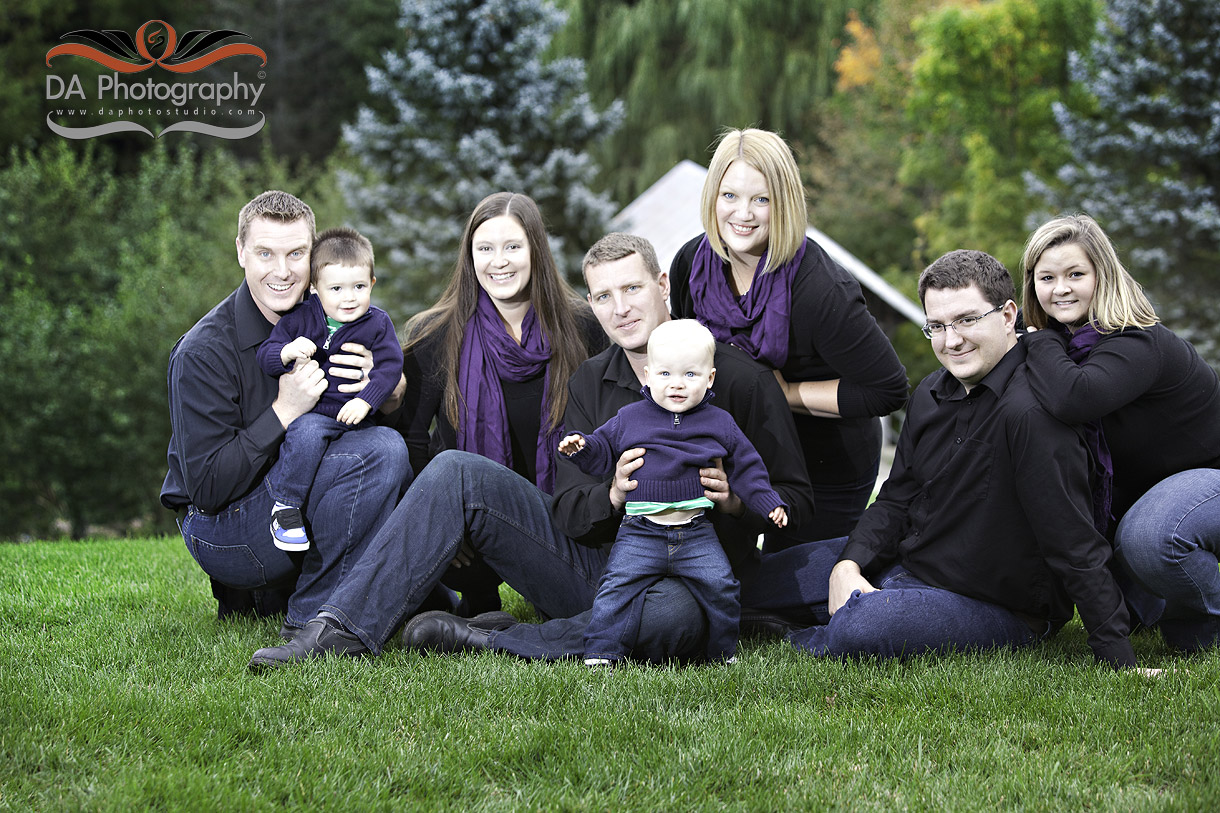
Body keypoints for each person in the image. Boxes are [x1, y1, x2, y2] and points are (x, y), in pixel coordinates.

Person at [247, 233, 829, 670]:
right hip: (599, 565)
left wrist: (732, 504)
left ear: (662, 287)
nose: (620, 308)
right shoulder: (593, 381)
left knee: (672, 617)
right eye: (602, 296)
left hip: (690, 574)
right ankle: (339, 630)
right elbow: (569, 509)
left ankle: (484, 637)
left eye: (632, 289)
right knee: (455, 471)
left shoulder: (739, 381)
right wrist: (613, 494)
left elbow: (795, 504)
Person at [785, 249, 1138, 668]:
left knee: (862, 627)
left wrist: (1115, 652)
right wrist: (849, 563)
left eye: (967, 320)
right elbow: (897, 497)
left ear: (1008, 316)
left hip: (996, 607)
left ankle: (837, 617)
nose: (951, 340)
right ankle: (833, 603)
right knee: (755, 583)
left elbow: (1073, 540)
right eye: (937, 325)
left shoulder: (1033, 412)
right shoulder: (931, 392)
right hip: (908, 565)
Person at [162, 190, 410, 653]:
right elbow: (207, 489)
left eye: (296, 253)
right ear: (240, 253)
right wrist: (285, 409)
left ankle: (374, 597)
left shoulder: (338, 318)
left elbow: (366, 419)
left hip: (296, 505)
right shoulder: (202, 353)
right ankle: (312, 619)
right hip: (222, 531)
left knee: (381, 446)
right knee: (376, 453)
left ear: (314, 260)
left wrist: (389, 393)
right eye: (264, 253)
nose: (281, 271)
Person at [668, 128, 908, 544]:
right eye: (730, 196)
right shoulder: (691, 264)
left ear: (784, 203)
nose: (742, 214)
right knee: (722, 582)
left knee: (795, 594)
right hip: (733, 452)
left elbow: (888, 390)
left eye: (761, 199)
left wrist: (787, 392)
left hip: (824, 464)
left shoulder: (819, 289)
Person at [388, 192, 607, 613]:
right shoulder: (436, 334)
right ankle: (476, 599)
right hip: (469, 537)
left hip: (561, 525)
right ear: (470, 259)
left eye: (512, 247)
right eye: (484, 249)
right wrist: (438, 522)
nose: (498, 261)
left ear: (536, 251)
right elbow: (410, 440)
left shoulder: (582, 328)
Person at [1021, 213, 1220, 651]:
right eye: (1046, 277)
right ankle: (1151, 598)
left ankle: (1204, 627)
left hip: (1210, 482)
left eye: (1076, 274)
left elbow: (1077, 399)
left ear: (1103, 275)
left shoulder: (1136, 340)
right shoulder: (1066, 347)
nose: (1061, 289)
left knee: (1152, 539)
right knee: (1123, 613)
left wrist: (1038, 340)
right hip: (1148, 491)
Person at [559, 319, 789, 665]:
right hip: (640, 531)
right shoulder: (630, 417)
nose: (677, 385)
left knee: (722, 587)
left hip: (696, 531)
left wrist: (769, 502)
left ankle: (722, 654)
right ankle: (601, 652)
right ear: (648, 376)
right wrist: (582, 447)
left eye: (690, 375)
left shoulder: (718, 422)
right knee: (616, 588)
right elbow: (602, 449)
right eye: (665, 375)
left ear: (710, 378)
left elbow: (747, 466)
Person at [256, 227, 403, 551]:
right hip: (317, 414)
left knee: (387, 452)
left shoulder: (377, 324)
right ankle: (286, 507)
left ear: (372, 284)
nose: (349, 297)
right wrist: (287, 352)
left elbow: (391, 368)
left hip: (358, 417)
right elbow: (266, 356)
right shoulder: (299, 320)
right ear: (315, 288)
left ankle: (384, 538)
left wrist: (367, 401)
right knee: (304, 437)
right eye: (336, 288)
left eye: (359, 287)